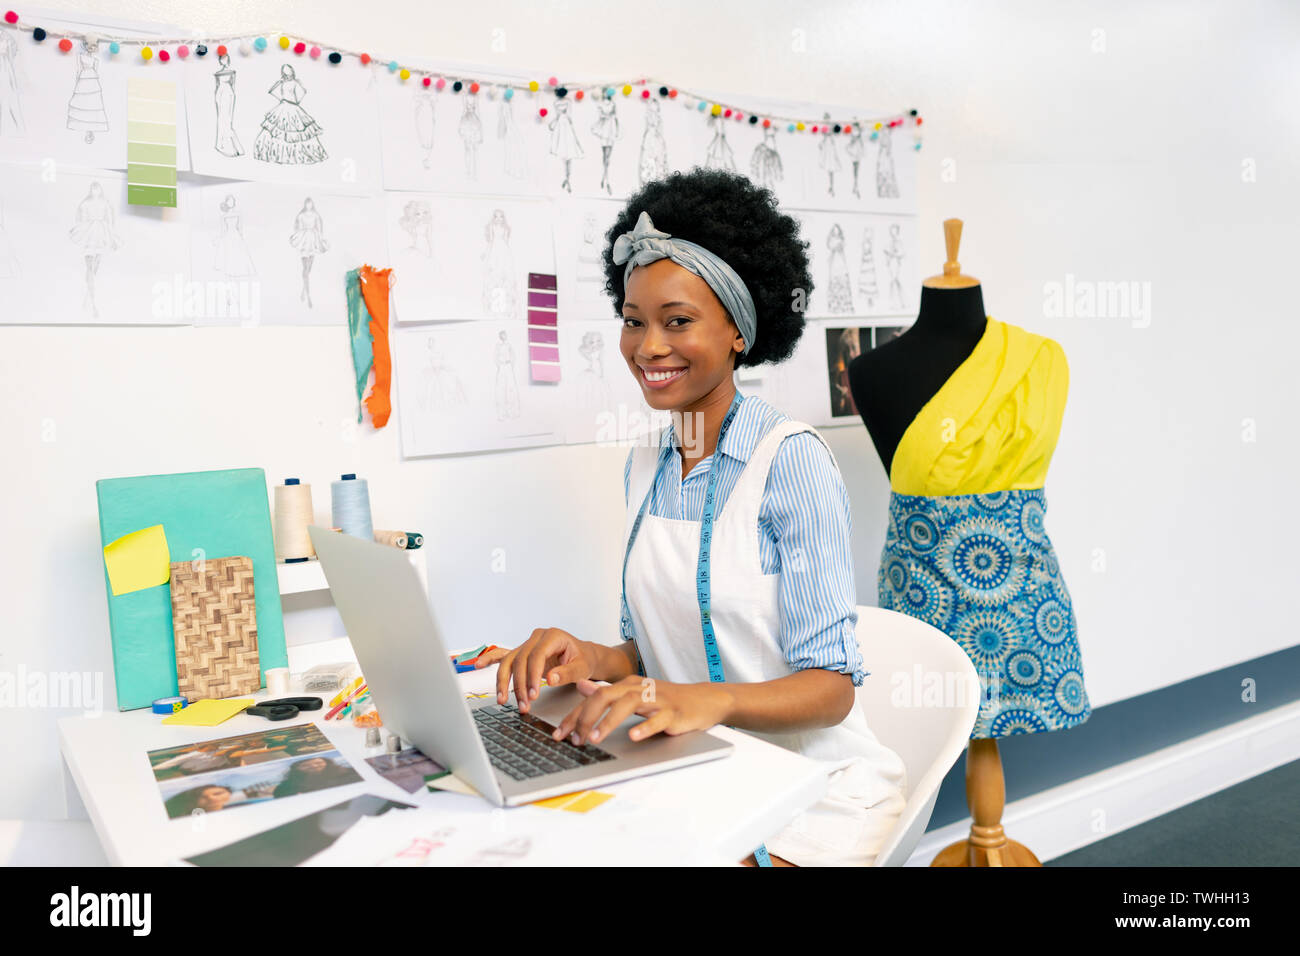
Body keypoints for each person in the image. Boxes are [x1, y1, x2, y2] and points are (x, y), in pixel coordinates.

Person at [478, 168, 907, 867]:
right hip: (702, 770)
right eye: (633, 321)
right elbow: (651, 651)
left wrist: (706, 700)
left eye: (678, 321)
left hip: (813, 794)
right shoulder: (646, 465)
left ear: (739, 332)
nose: (648, 347)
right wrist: (591, 658)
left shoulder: (789, 464)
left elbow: (830, 690)